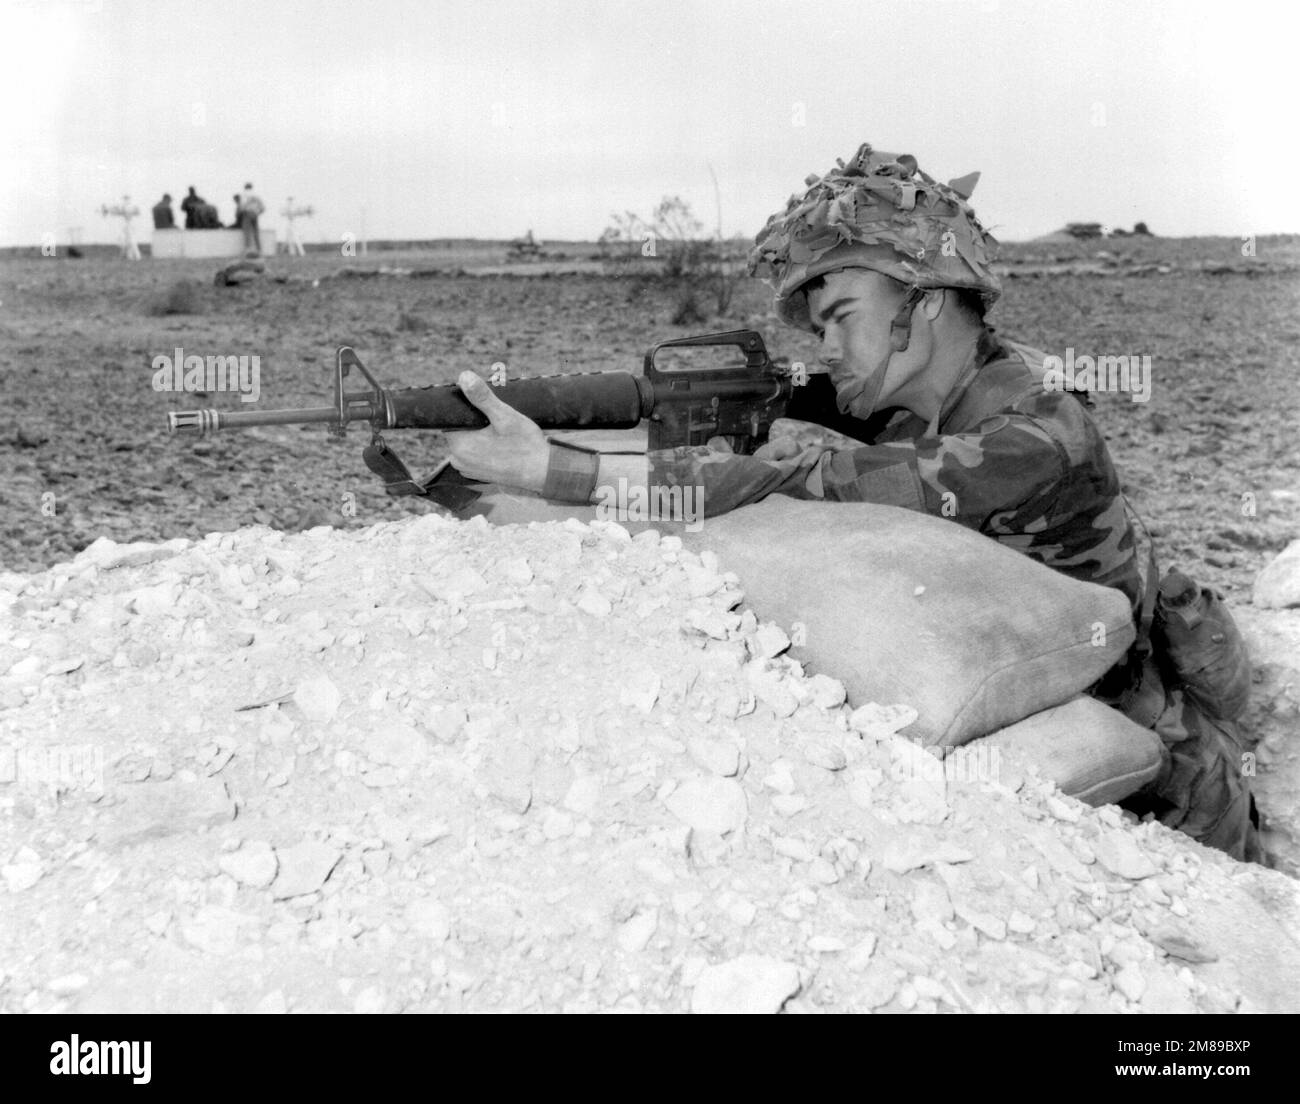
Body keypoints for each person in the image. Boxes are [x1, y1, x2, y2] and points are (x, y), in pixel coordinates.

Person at [442, 141, 1258, 860]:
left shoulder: (1035, 430)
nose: (826, 350)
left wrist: (556, 469)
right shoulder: (918, 395)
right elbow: (793, 425)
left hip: (1166, 791)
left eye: (841, 318)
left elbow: (818, 485)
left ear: (926, 302)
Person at [240, 182, 265, 255]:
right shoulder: (256, 196)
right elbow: (262, 208)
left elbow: (242, 207)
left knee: (247, 232)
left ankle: (248, 249)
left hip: (247, 214)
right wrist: (257, 212)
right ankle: (259, 249)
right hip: (255, 214)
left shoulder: (244, 195)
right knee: (256, 232)